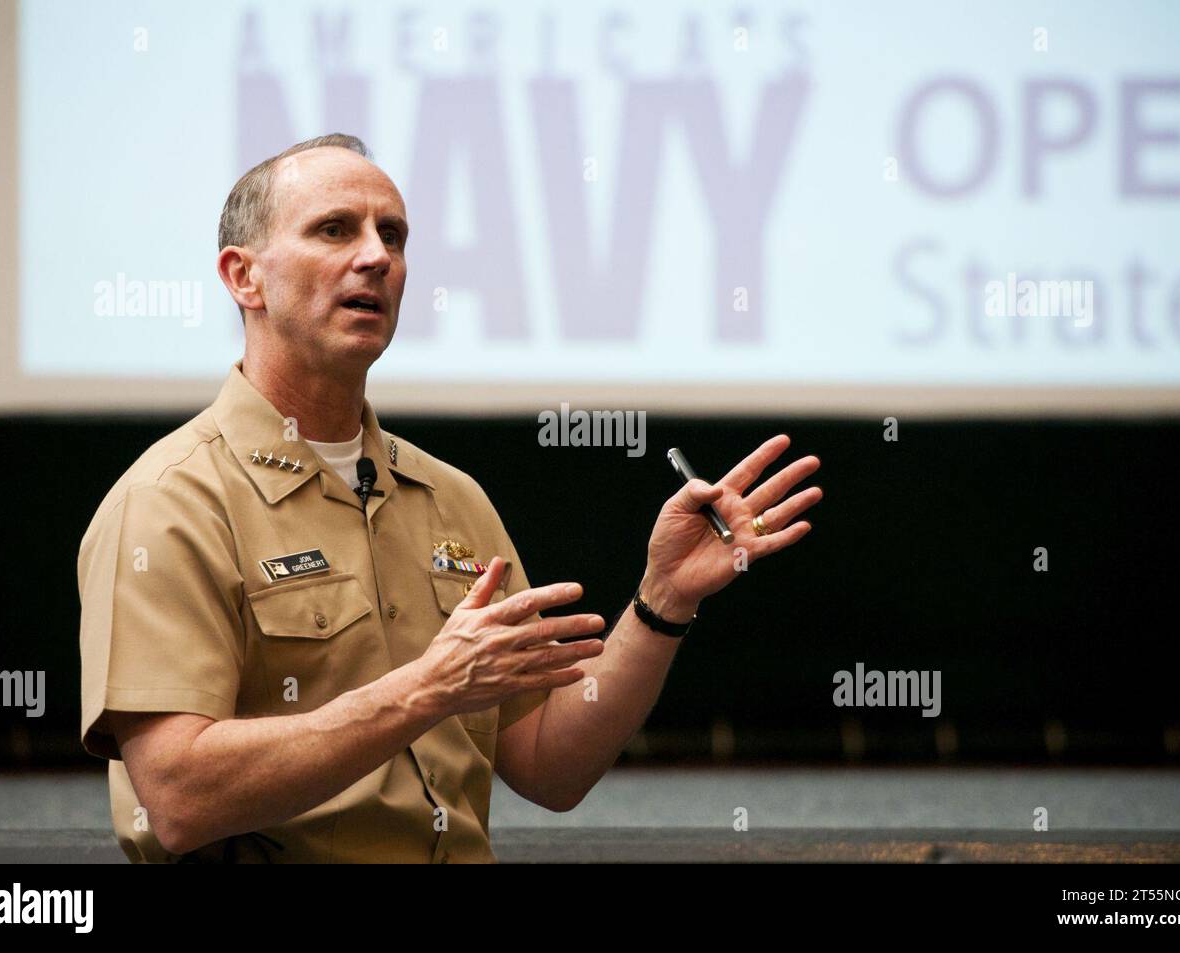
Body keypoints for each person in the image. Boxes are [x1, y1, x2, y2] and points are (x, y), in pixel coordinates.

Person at [76, 133, 823, 862]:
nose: (376, 256)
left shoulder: (448, 497)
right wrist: (427, 688)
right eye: (335, 230)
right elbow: (176, 798)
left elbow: (548, 766)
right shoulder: (170, 503)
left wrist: (663, 600)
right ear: (245, 278)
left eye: (392, 235)